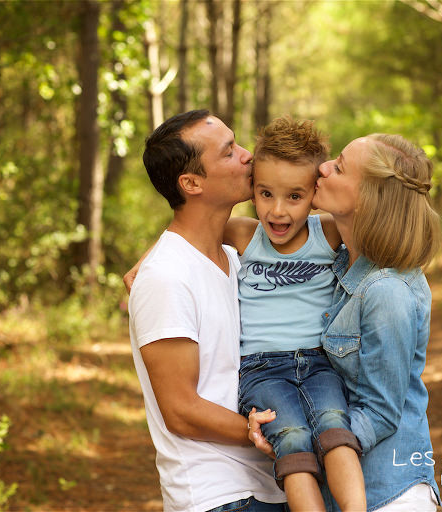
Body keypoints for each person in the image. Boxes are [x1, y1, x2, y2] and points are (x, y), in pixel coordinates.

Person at [254, 133, 442, 511]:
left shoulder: (387, 290)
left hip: (388, 493)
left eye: (338, 167)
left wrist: (297, 435)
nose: (322, 168)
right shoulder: (341, 264)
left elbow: (380, 413)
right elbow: (245, 233)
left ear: (368, 199)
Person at [127, 109, 286, 512]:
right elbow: (181, 410)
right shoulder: (165, 277)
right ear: (192, 182)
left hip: (266, 487)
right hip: (217, 495)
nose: (248, 155)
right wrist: (277, 433)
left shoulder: (234, 258)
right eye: (229, 151)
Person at [221, 116, 366, 512]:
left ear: (315, 194)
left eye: (294, 197)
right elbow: (184, 234)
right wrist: (142, 264)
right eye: (265, 194)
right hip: (261, 367)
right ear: (252, 190)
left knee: (336, 425)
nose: (277, 211)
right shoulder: (242, 233)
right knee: (292, 437)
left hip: (320, 363)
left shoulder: (328, 232)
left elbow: (378, 221)